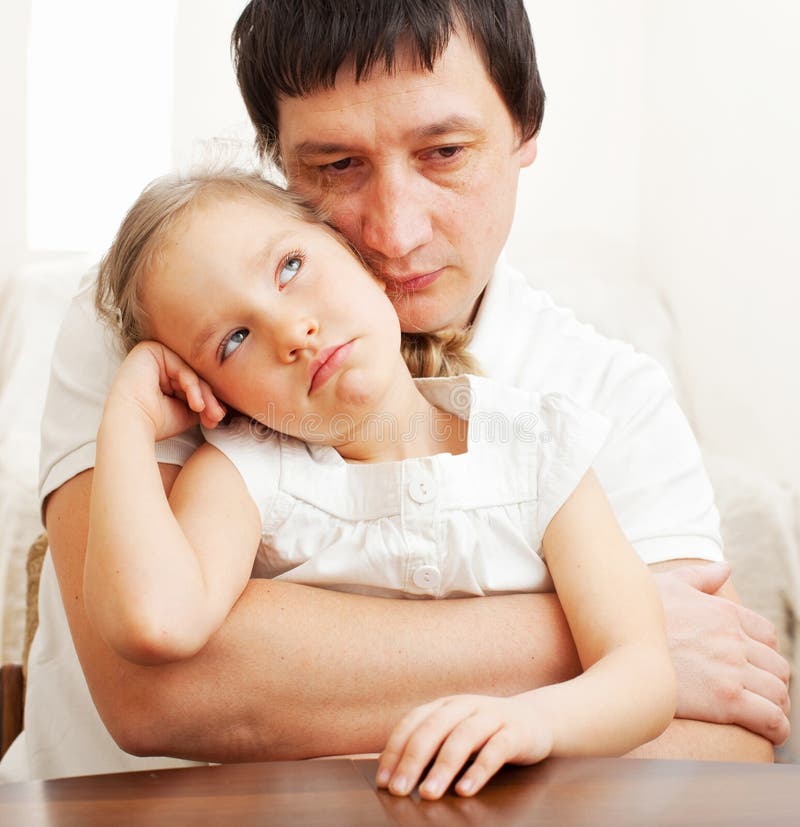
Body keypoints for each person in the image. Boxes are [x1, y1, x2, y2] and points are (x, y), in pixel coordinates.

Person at [0, 0, 789, 783]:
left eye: (445, 151)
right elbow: (154, 689)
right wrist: (604, 637)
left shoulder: (602, 401)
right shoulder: (160, 321)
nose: (395, 231)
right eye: (337, 166)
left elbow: (722, 733)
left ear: (526, 126)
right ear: (278, 164)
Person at [84, 168, 676, 799]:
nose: (291, 332)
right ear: (213, 393)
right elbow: (157, 622)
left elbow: (643, 675)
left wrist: (533, 722)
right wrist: (127, 420)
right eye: (233, 340)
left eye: (289, 267)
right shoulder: (244, 474)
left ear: (353, 252)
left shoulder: (534, 447)